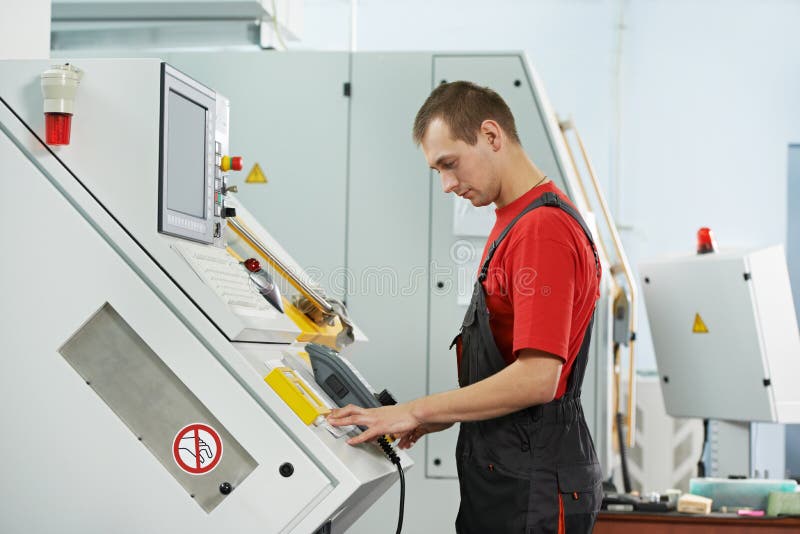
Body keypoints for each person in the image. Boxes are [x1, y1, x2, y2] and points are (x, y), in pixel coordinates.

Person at [327, 81, 603, 533]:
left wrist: (419, 410)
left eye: (449, 164)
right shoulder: (512, 221)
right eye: (437, 170)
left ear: (491, 136)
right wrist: (440, 416)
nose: (447, 185)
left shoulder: (542, 231)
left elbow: (538, 379)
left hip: (532, 485)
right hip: (508, 473)